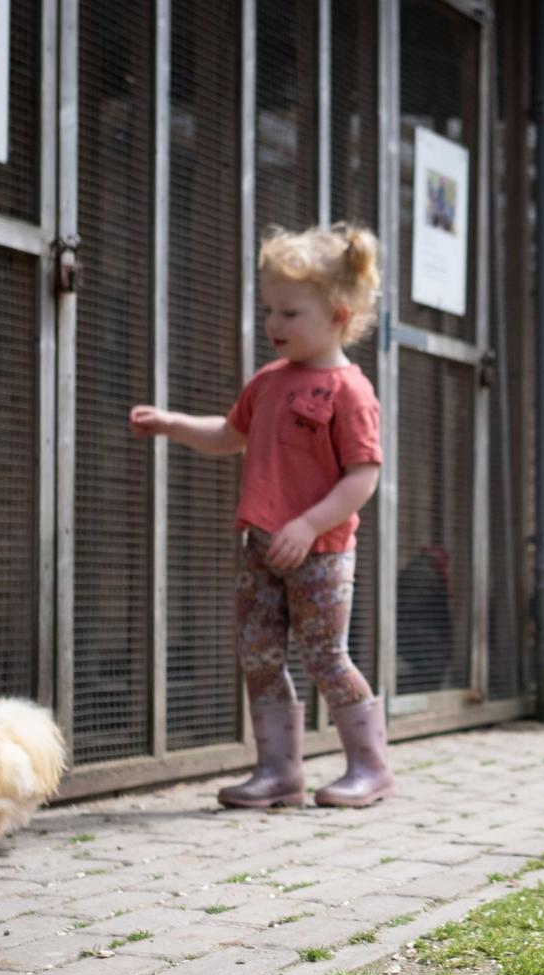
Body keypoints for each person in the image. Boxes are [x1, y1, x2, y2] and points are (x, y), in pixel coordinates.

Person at [129, 223, 394, 809]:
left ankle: (371, 768)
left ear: (339, 316)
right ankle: (278, 772)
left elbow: (363, 477)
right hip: (262, 547)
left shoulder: (351, 391)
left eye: (290, 313)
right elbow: (231, 435)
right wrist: (172, 423)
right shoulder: (269, 382)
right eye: (269, 309)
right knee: (259, 651)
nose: (274, 324)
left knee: (326, 655)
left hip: (321, 553)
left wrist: (309, 524)